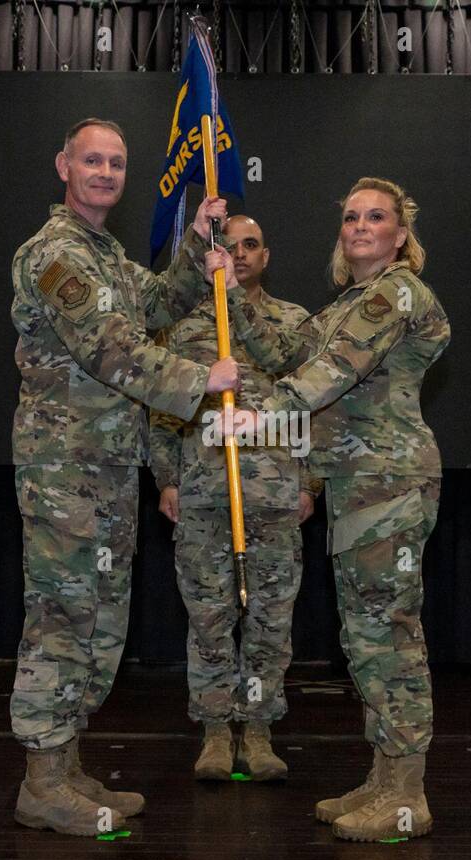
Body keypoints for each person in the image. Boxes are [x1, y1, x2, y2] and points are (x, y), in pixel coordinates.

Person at [8, 117, 241, 836]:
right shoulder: (54, 256)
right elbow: (112, 350)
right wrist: (205, 378)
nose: (105, 172)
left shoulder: (103, 255)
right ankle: (41, 780)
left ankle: (66, 764)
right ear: (63, 166)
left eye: (115, 163)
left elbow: (154, 307)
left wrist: (199, 251)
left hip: (106, 471)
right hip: (65, 470)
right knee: (61, 618)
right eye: (92, 161)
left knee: (100, 616)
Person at [225, 177, 449, 841]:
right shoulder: (348, 305)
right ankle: (384, 777)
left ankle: (408, 794)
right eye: (350, 216)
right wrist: (233, 300)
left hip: (390, 485)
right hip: (358, 489)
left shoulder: (396, 293)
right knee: (365, 639)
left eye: (375, 216)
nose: (359, 226)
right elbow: (291, 355)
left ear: (400, 234)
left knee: (391, 640)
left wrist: (256, 416)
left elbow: (329, 374)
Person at [149, 215, 319, 782]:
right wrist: (166, 479)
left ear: (265, 256)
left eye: (251, 246)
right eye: (230, 245)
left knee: (270, 621)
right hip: (202, 492)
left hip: (272, 494)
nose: (240, 254)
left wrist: (309, 483)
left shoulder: (293, 323)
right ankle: (217, 731)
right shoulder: (184, 324)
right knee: (209, 617)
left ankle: (261, 728)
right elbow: (161, 408)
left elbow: (316, 407)